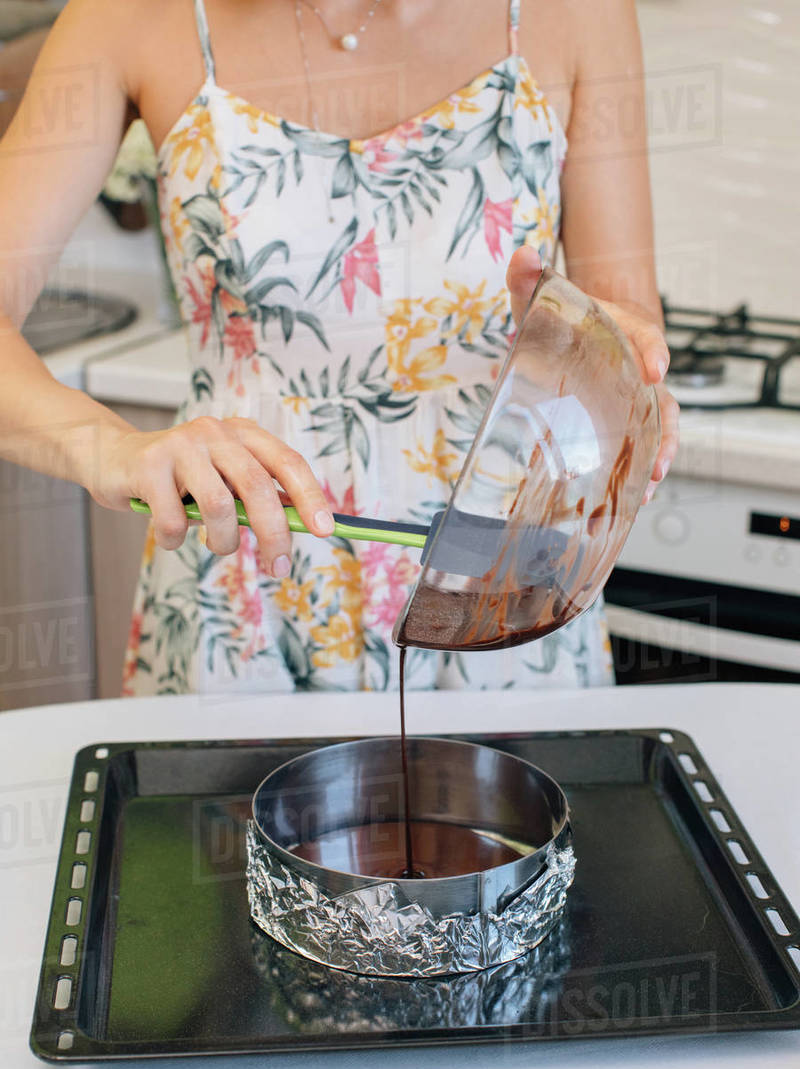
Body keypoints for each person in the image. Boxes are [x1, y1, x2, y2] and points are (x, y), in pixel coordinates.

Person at [0, 0, 678, 694]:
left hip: (501, 585)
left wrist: (587, 355)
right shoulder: (126, 20)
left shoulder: (580, 14)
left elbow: (627, 331)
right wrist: (112, 448)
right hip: (244, 578)